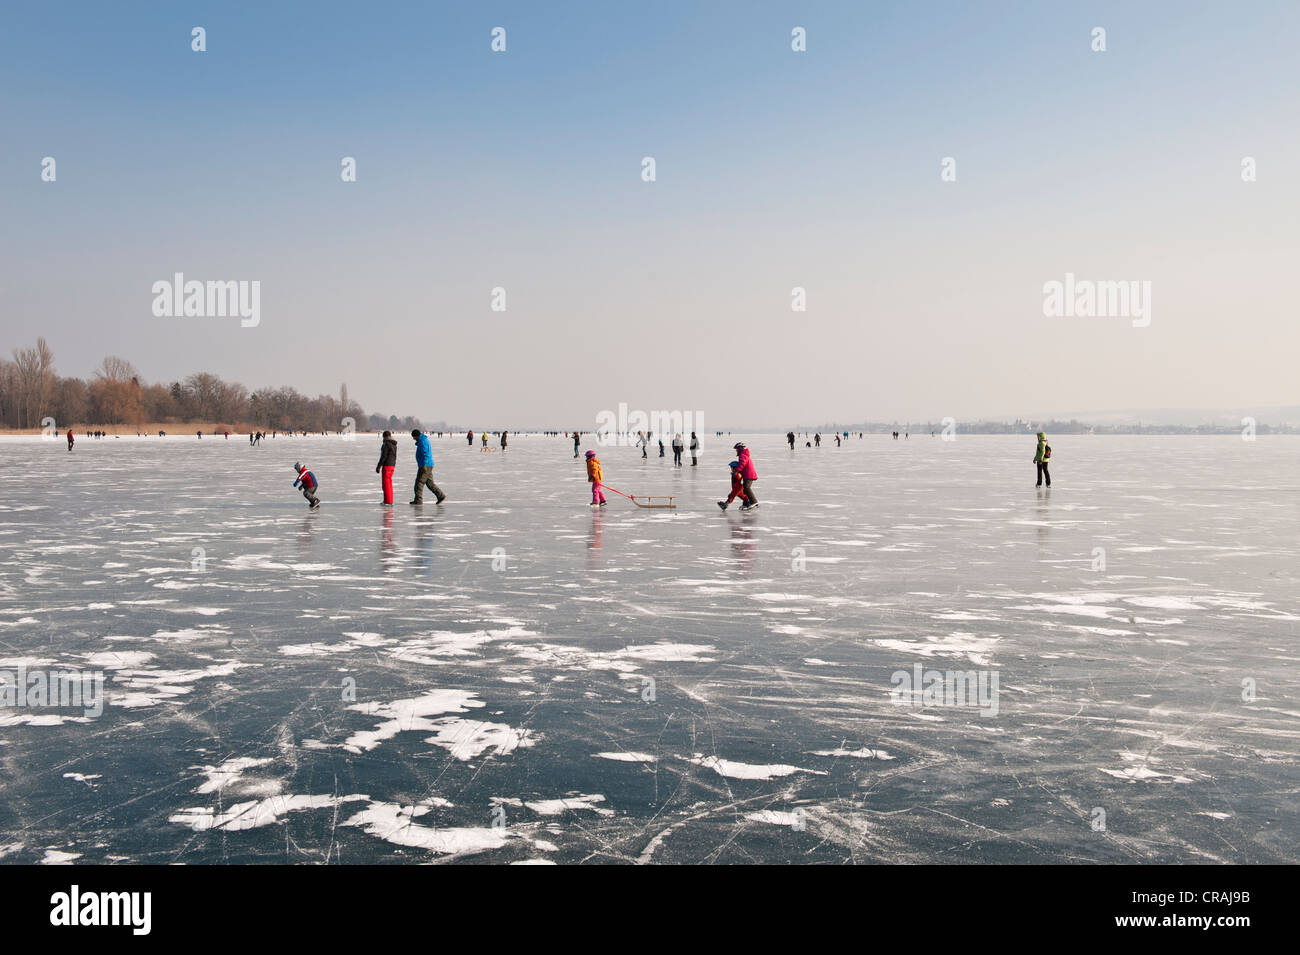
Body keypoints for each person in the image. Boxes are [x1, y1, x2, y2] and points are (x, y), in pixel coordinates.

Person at [411, 429, 447, 504]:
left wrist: (424, 465)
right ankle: (440, 496)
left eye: (414, 437)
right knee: (430, 483)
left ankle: (418, 500)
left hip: (425, 465)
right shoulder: (422, 441)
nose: (413, 439)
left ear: (416, 436)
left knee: (419, 483)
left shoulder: (423, 442)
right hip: (428, 464)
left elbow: (426, 454)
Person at [376, 430, 397, 505]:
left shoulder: (386, 444)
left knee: (386, 484)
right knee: (388, 484)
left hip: (387, 466)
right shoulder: (393, 444)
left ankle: (388, 501)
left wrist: (379, 466)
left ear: (384, 437)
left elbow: (383, 456)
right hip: (392, 465)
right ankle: (387, 500)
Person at [734, 442, 758, 509]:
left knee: (746, 488)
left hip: (749, 475)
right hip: (747, 474)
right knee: (744, 489)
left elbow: (742, 464)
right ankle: (746, 503)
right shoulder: (744, 454)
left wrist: (736, 470)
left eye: (737, 449)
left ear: (740, 448)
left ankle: (754, 501)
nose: (736, 450)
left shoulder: (742, 455)